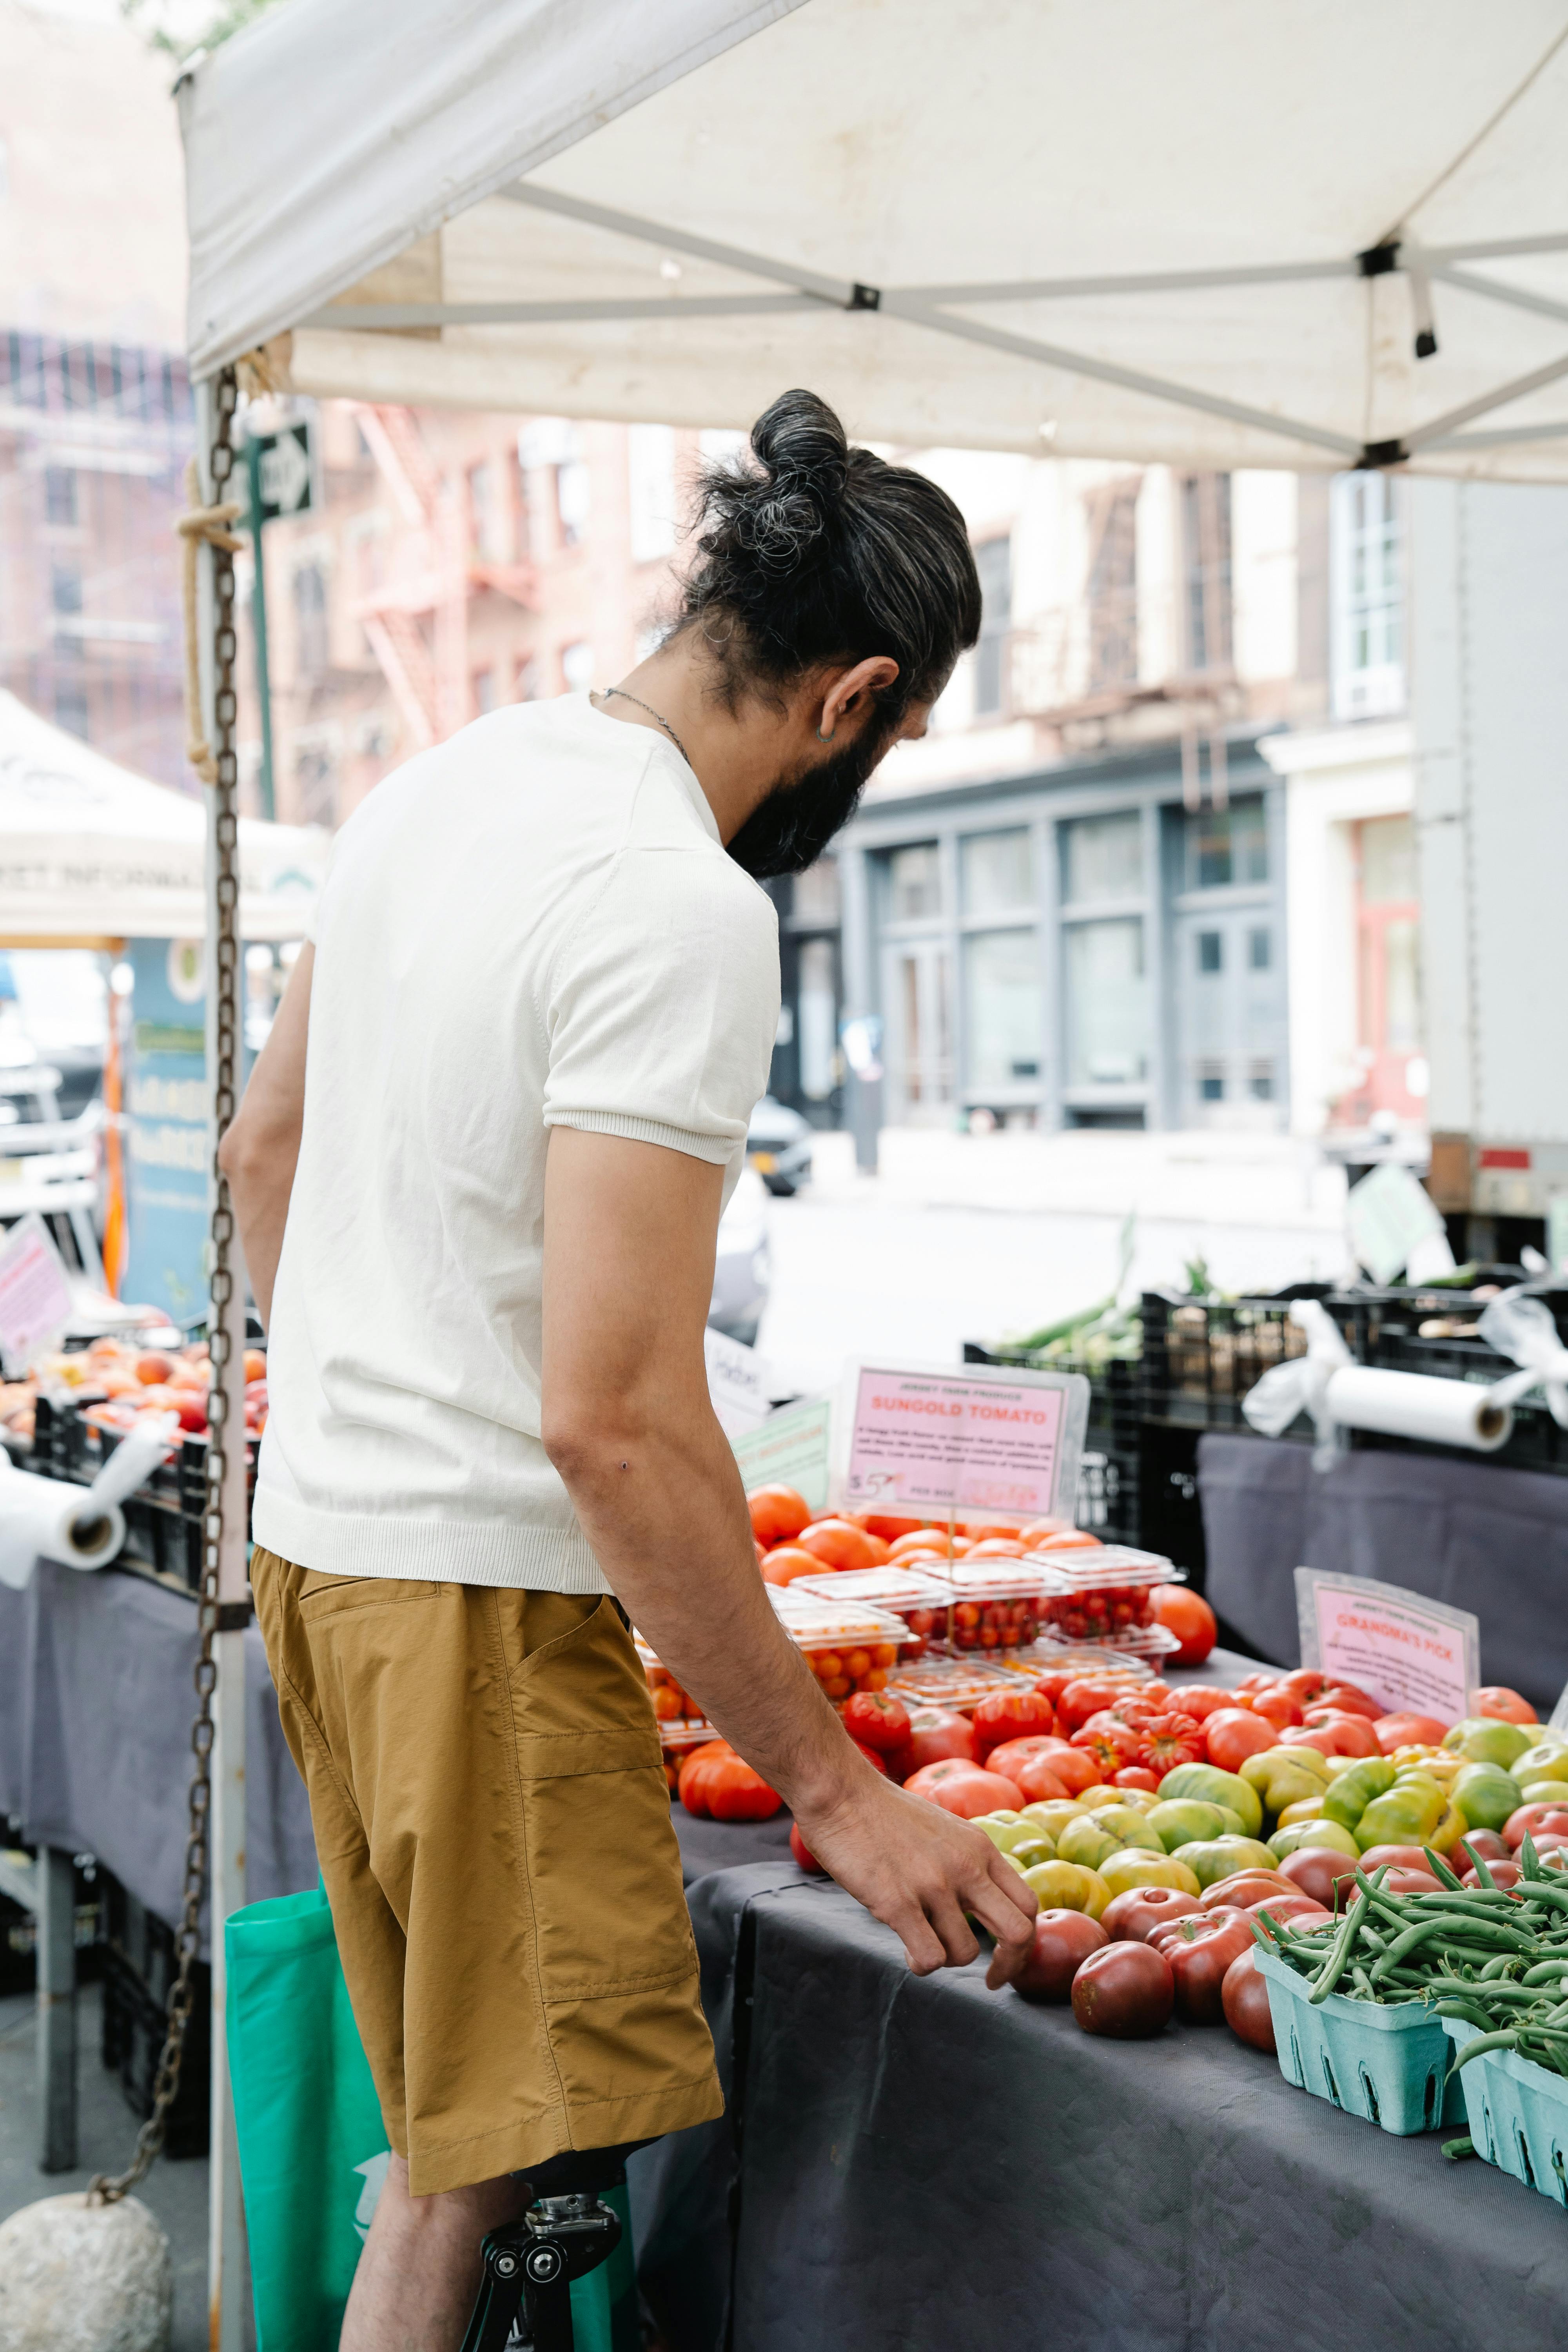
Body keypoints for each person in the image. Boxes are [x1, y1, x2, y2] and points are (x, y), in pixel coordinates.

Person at [222, 388, 1038, 2351]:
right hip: (479, 1602)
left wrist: (365, 1399)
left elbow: (266, 1151)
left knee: (449, 2121)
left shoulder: (440, 781)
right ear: (852, 699)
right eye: (898, 737)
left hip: (324, 1558)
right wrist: (838, 1794)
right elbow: (610, 1413)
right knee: (468, 2155)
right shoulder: (678, 905)